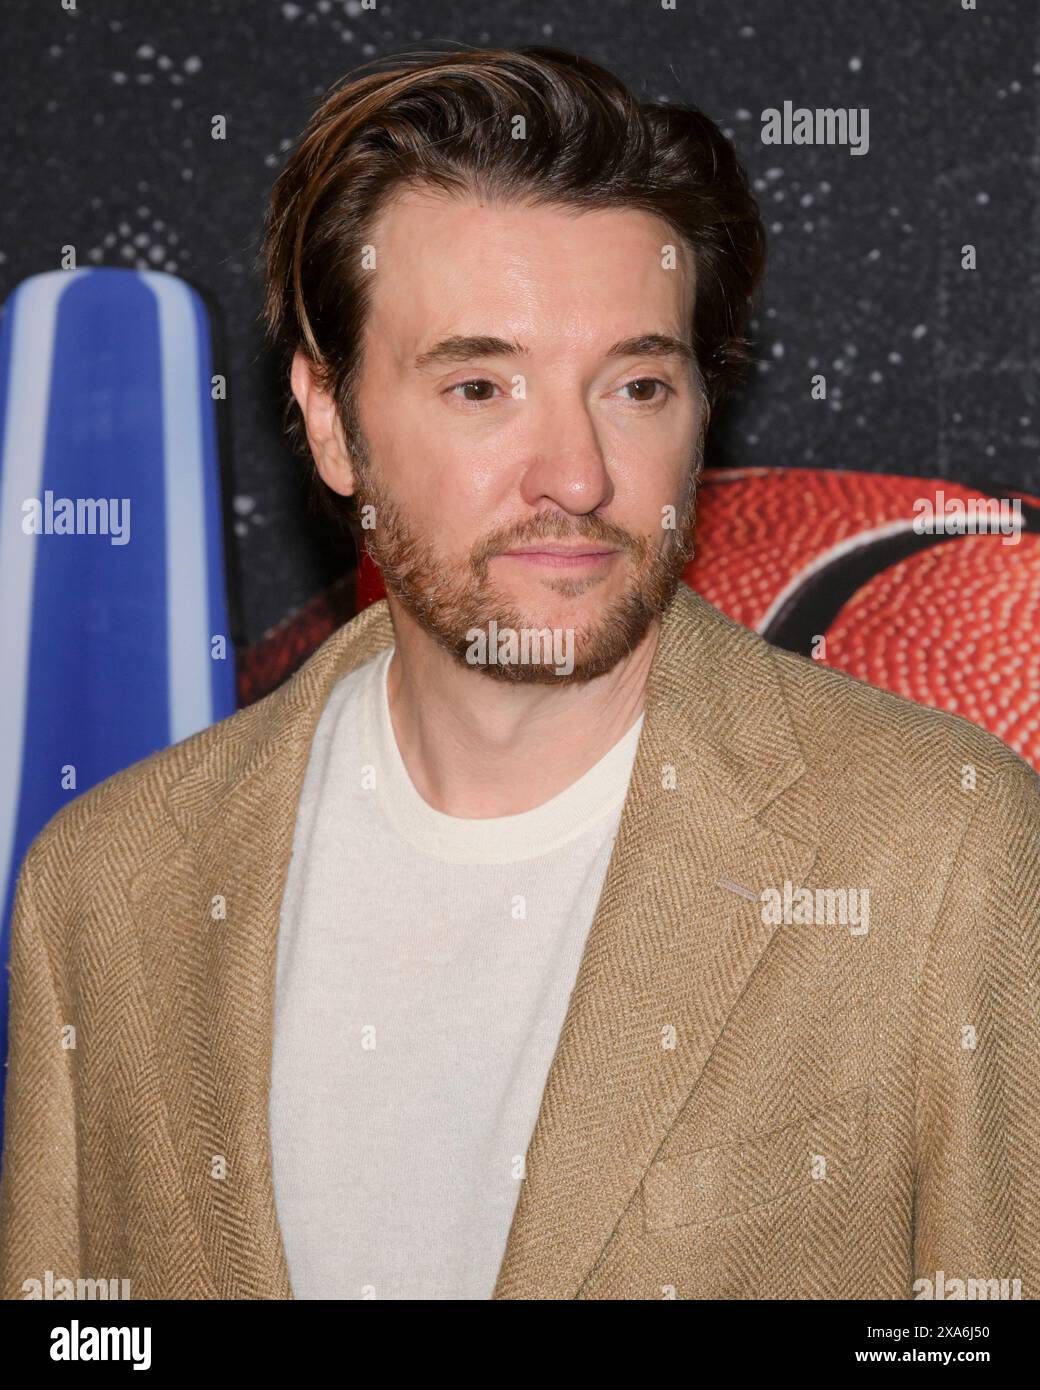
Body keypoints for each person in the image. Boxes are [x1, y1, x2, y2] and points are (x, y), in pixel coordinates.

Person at [2, 45, 1038, 1302]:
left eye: (637, 383)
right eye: (481, 385)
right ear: (332, 422)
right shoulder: (106, 886)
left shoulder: (939, 846)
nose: (580, 474)